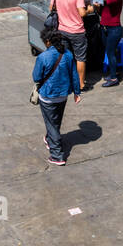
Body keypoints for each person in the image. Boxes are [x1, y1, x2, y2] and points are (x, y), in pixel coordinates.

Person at [33, 29, 83, 165]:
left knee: (51, 124)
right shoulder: (67, 54)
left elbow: (36, 77)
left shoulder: (43, 57)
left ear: (48, 41)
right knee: (56, 119)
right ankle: (50, 138)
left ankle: (57, 155)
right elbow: (74, 75)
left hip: (48, 95)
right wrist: (77, 92)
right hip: (63, 95)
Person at [50, 0, 94, 92]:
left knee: (65, 57)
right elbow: (82, 13)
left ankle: (65, 82)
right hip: (77, 31)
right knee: (80, 58)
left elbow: (51, 8)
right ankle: (80, 85)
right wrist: (89, 10)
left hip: (62, 29)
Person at [98, 0, 123, 87]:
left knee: (110, 53)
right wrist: (97, 6)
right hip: (105, 28)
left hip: (115, 30)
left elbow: (109, 2)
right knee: (110, 52)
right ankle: (114, 72)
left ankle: (113, 78)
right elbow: (102, 13)